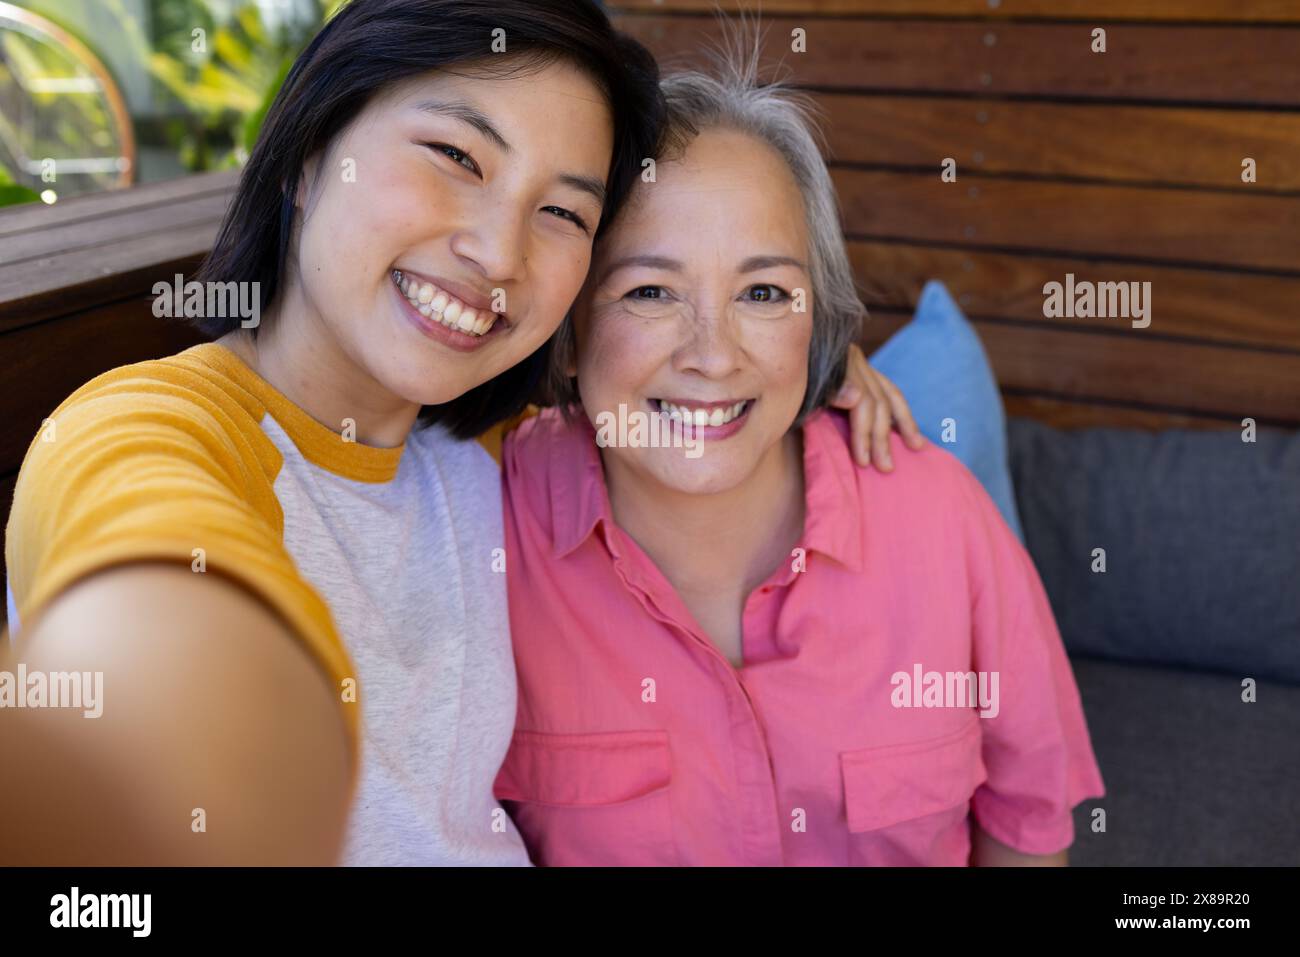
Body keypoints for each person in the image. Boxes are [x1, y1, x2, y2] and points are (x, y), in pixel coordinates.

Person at [0, 0, 912, 865]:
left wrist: (818, 363)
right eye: (457, 155)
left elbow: (680, 383)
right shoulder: (145, 429)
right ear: (310, 155)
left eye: (561, 213)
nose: (497, 251)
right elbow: (154, 608)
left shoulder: (494, 446)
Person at [495, 52, 1105, 866]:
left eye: (763, 293)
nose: (713, 357)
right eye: (650, 291)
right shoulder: (485, 525)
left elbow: (1026, 828)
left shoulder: (942, 517)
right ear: (567, 328)